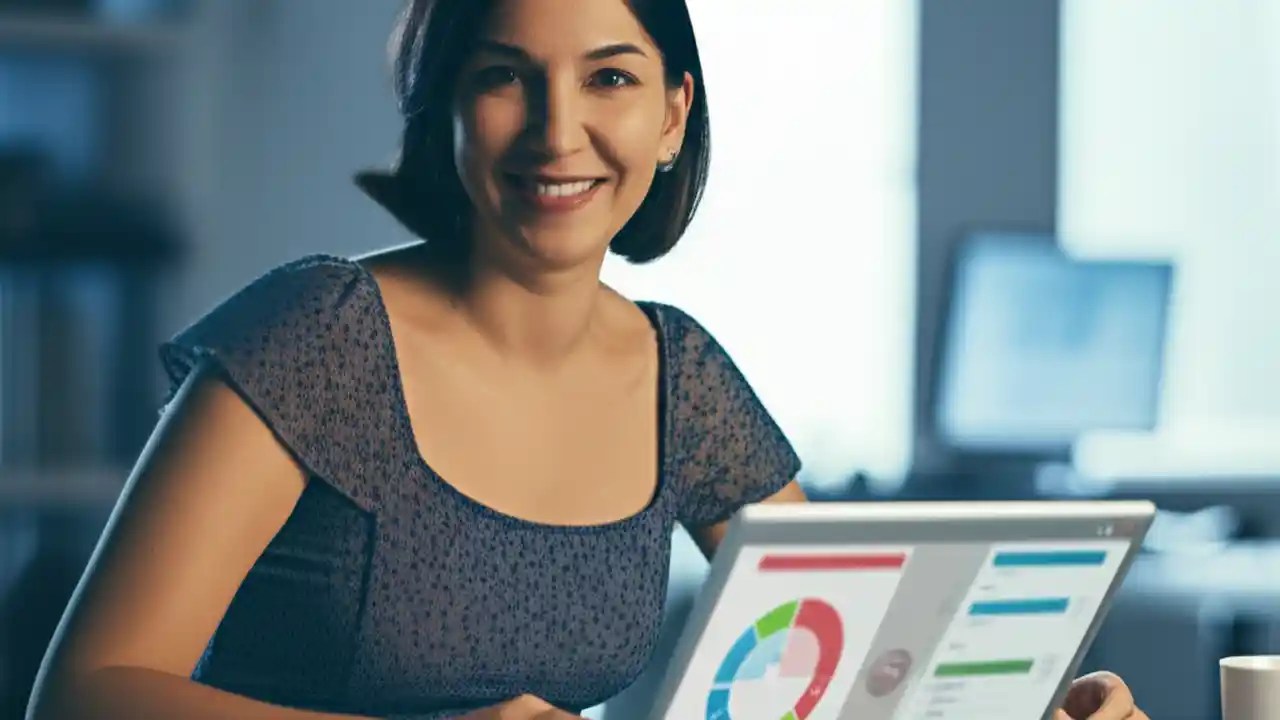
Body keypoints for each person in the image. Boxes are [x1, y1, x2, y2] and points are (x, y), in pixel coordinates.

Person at [25, 0, 1148, 718]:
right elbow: (84, 693)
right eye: (507, 75)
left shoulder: (682, 379)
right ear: (447, 112)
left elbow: (859, 671)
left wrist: (1041, 711)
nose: (557, 132)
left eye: (608, 78)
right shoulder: (317, 335)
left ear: (671, 117)